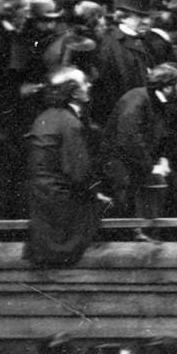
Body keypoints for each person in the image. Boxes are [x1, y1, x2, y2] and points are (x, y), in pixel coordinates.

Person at [23, 66, 104, 267]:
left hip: (40, 198)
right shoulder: (69, 123)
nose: (90, 85)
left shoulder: (45, 117)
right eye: (85, 82)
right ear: (75, 92)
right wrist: (95, 193)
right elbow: (78, 172)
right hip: (60, 201)